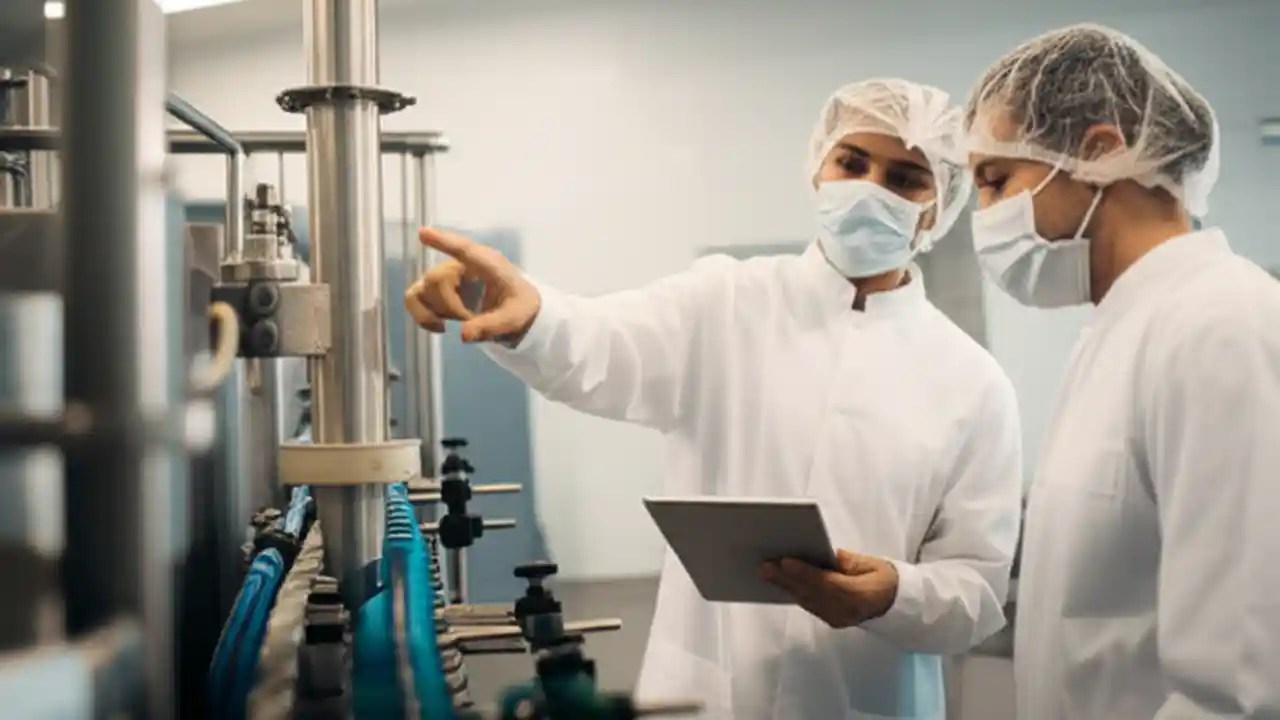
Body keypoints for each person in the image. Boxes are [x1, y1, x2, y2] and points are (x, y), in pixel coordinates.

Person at [407, 78, 1022, 719]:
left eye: (904, 178)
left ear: (937, 206)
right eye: (853, 162)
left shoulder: (971, 383)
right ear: (819, 168)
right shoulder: (725, 301)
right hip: (705, 690)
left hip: (867, 697)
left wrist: (896, 594)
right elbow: (599, 343)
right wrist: (527, 313)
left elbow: (976, 589)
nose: (870, 188)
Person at [965, 23, 1280, 719]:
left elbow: (1243, 687)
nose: (983, 215)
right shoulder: (1119, 333)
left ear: (1101, 152)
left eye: (995, 180)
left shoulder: (1220, 325)